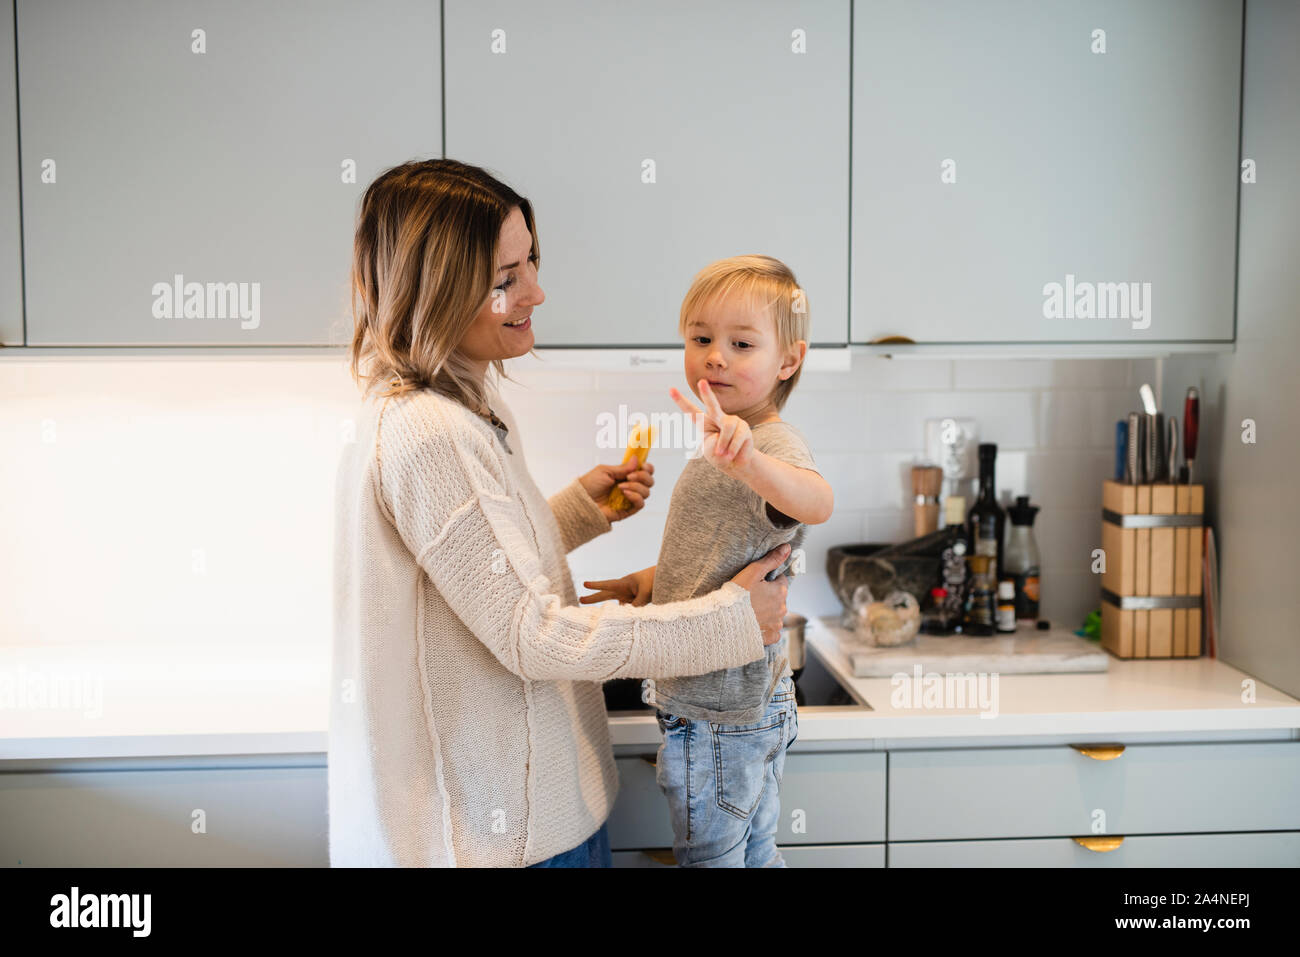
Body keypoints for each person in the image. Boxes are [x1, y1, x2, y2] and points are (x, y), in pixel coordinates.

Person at [329, 160, 791, 867]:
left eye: (531, 263)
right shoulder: (430, 431)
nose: (535, 292)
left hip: (524, 820)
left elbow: (476, 569)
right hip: (499, 839)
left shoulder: (460, 404)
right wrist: (728, 623)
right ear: (437, 290)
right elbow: (532, 634)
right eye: (504, 279)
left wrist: (578, 511)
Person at [583, 256, 832, 866]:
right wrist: (647, 583)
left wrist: (748, 461)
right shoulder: (726, 446)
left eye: (741, 343)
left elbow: (818, 502)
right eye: (701, 339)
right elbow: (715, 556)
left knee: (712, 861)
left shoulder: (767, 445)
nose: (715, 355)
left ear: (788, 360)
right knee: (753, 856)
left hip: (719, 710)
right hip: (738, 702)